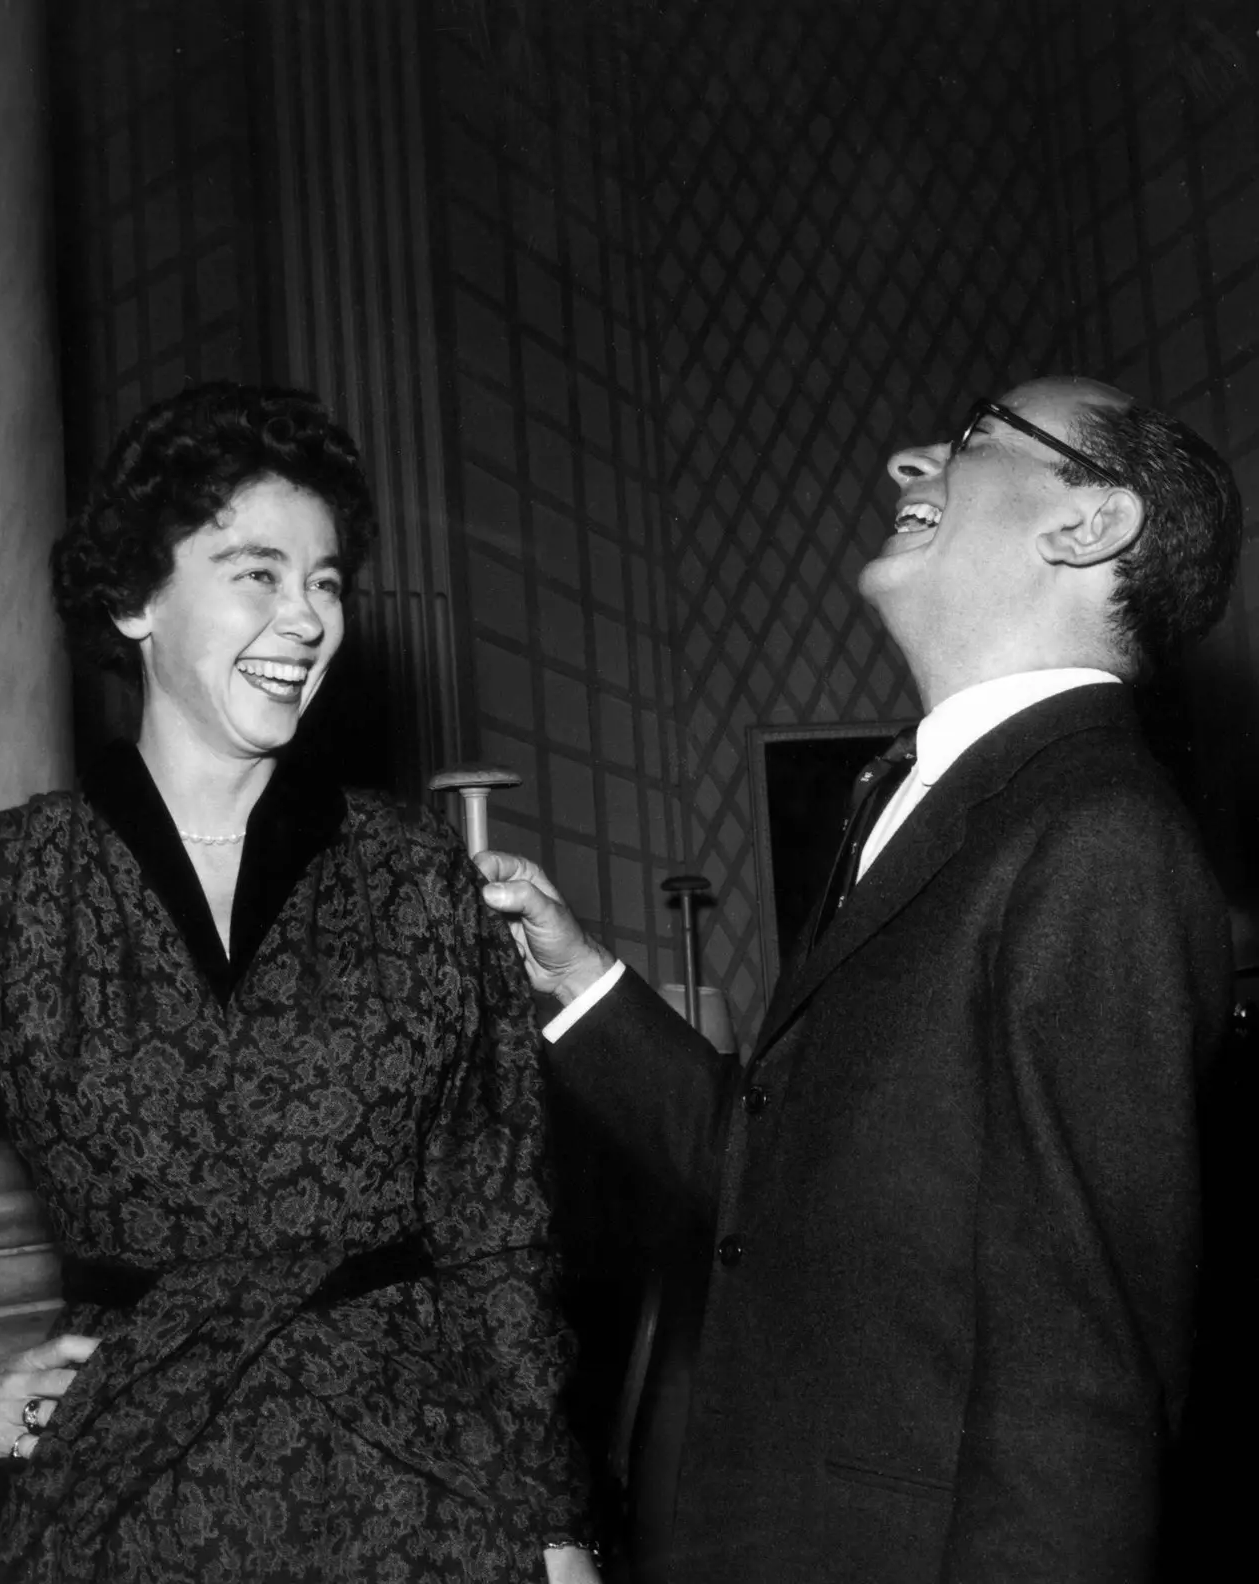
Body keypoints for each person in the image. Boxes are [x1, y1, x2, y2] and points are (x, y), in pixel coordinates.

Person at [0, 382, 598, 1583]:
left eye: (328, 580)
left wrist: (557, 1535)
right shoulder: (3, 884)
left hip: (419, 1501)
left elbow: (500, 1232)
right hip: (129, 1505)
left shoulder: (415, 878)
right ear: (136, 598)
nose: (306, 616)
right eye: (257, 571)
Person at [480, 377, 1241, 1582]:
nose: (907, 461)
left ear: (1089, 526)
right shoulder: (933, 805)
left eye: (981, 437)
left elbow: (1079, 1381)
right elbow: (770, 1179)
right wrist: (578, 982)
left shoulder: (1097, 834)